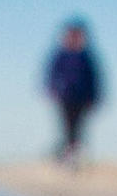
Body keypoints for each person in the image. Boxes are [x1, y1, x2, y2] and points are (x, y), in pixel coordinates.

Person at [43, 20, 104, 164]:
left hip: (82, 98)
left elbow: (94, 78)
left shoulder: (86, 57)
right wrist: (52, 90)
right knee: (67, 127)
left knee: (79, 127)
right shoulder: (61, 55)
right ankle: (66, 155)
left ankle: (74, 155)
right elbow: (52, 74)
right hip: (65, 97)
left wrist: (94, 97)